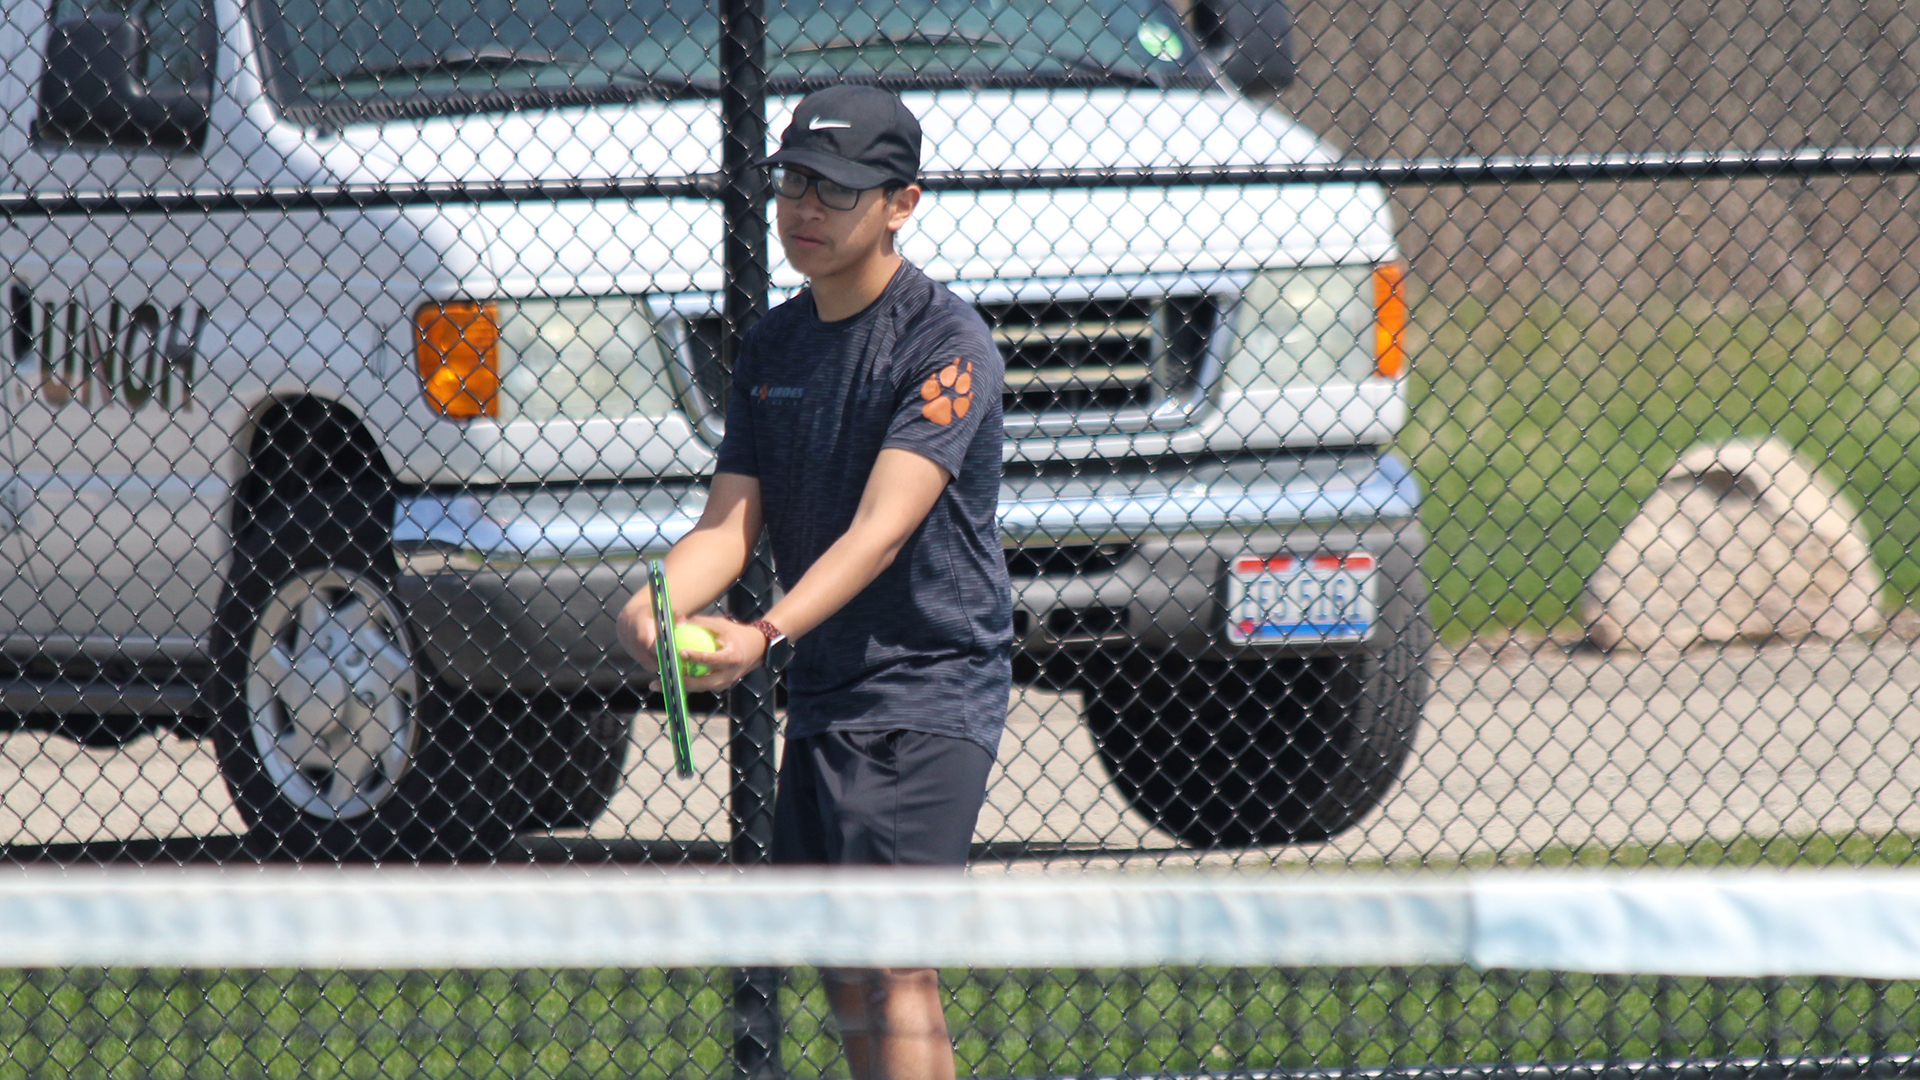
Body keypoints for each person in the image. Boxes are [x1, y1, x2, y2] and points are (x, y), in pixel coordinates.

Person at [616, 84, 1012, 1080]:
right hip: (830, 689)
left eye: (834, 191)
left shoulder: (945, 346)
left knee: (894, 960)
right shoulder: (772, 347)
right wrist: (659, 600)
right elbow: (730, 525)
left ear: (900, 203)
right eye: (794, 182)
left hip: (930, 684)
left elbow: (881, 530)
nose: (804, 209)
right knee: (844, 962)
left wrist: (765, 636)